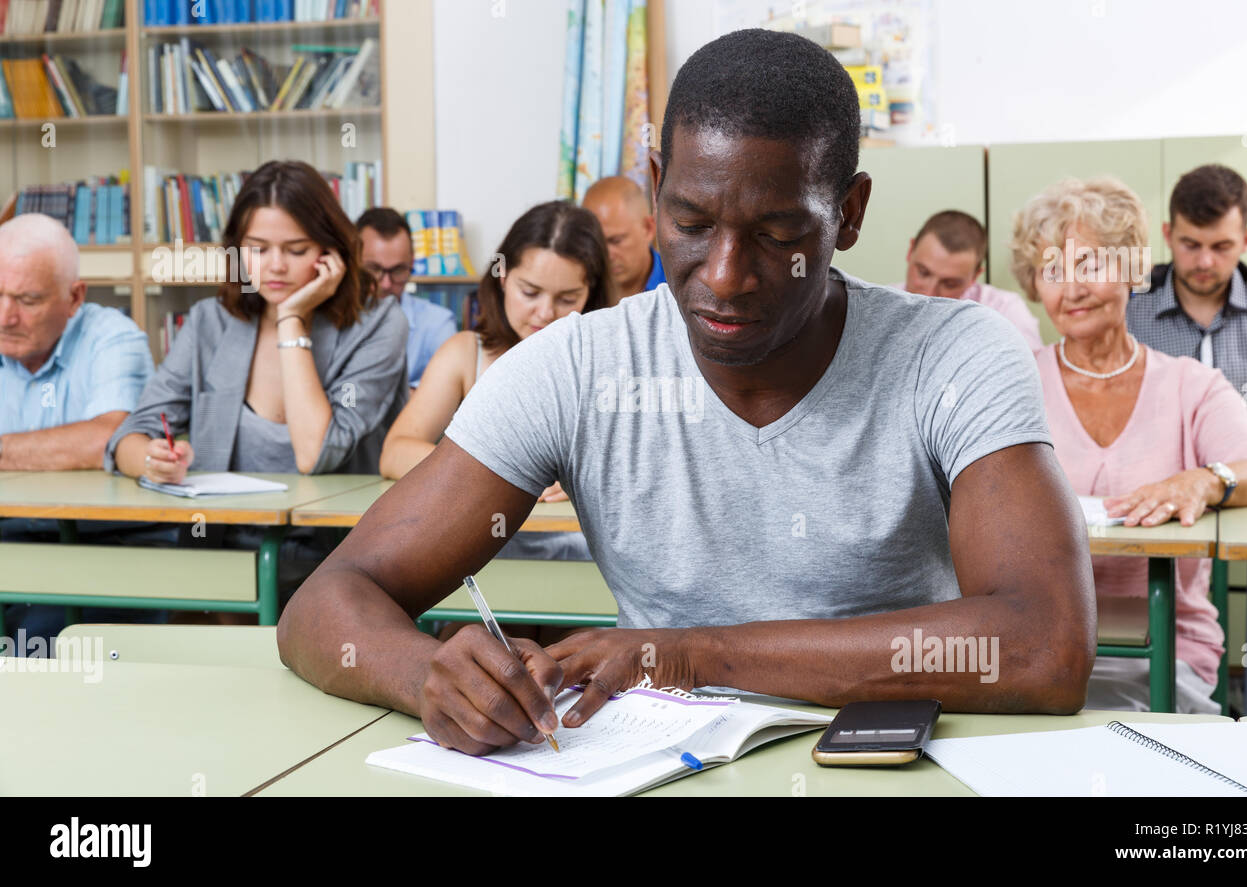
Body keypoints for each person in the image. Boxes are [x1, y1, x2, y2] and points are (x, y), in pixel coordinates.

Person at [279, 29, 1096, 758]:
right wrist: (427, 672)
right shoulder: (574, 368)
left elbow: (1045, 644)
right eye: (693, 223)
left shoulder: (952, 354)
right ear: (659, 186)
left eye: (778, 235)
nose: (726, 276)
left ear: (848, 213)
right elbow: (326, 604)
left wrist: (685, 654)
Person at [1011, 175, 1247, 713]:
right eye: (1051, 271)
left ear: (1132, 270)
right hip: (1037, 646)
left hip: (1165, 647)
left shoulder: (1191, 385)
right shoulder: (1011, 384)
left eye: (1090, 265)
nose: (1070, 289)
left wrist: (1206, 479)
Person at [104, 161, 409, 614]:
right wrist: (151, 461)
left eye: (296, 249)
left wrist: (292, 318)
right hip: (220, 560)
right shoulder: (211, 322)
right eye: (258, 248)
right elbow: (126, 438)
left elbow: (316, 452)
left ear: (332, 252)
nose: (275, 267)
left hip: (343, 565)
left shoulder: (380, 325)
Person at [378, 200, 611, 492]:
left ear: (591, 293)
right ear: (502, 276)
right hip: (492, 535)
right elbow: (395, 454)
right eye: (530, 292)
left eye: (567, 299)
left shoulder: (608, 361)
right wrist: (503, 471)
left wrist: (585, 478)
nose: (545, 313)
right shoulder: (465, 354)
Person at [1127, 164, 1247, 427]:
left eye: (1221, 246)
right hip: (1160, 465)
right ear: (1168, 235)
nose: (1205, 262)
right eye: (1191, 245)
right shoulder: (1130, 303)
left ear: (1246, 240)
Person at [0, 213, 151, 470]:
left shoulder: (113, 338)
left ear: (74, 298)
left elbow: (114, 440)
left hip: (80, 510)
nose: (5, 319)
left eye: (28, 301)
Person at [898, 210, 1042, 349]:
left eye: (950, 284)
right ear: (910, 251)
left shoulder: (1006, 311)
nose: (929, 294)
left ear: (975, 276)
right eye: (923, 273)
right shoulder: (881, 305)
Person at [356, 207, 458, 391]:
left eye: (398, 270)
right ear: (354, 262)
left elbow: (451, 393)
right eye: (373, 269)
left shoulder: (438, 324)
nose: (386, 284)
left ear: (412, 263)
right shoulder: (333, 322)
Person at [581, 176, 666, 304]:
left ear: (648, 228)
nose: (606, 255)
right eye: (596, 242)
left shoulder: (677, 287)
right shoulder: (577, 287)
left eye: (615, 241)